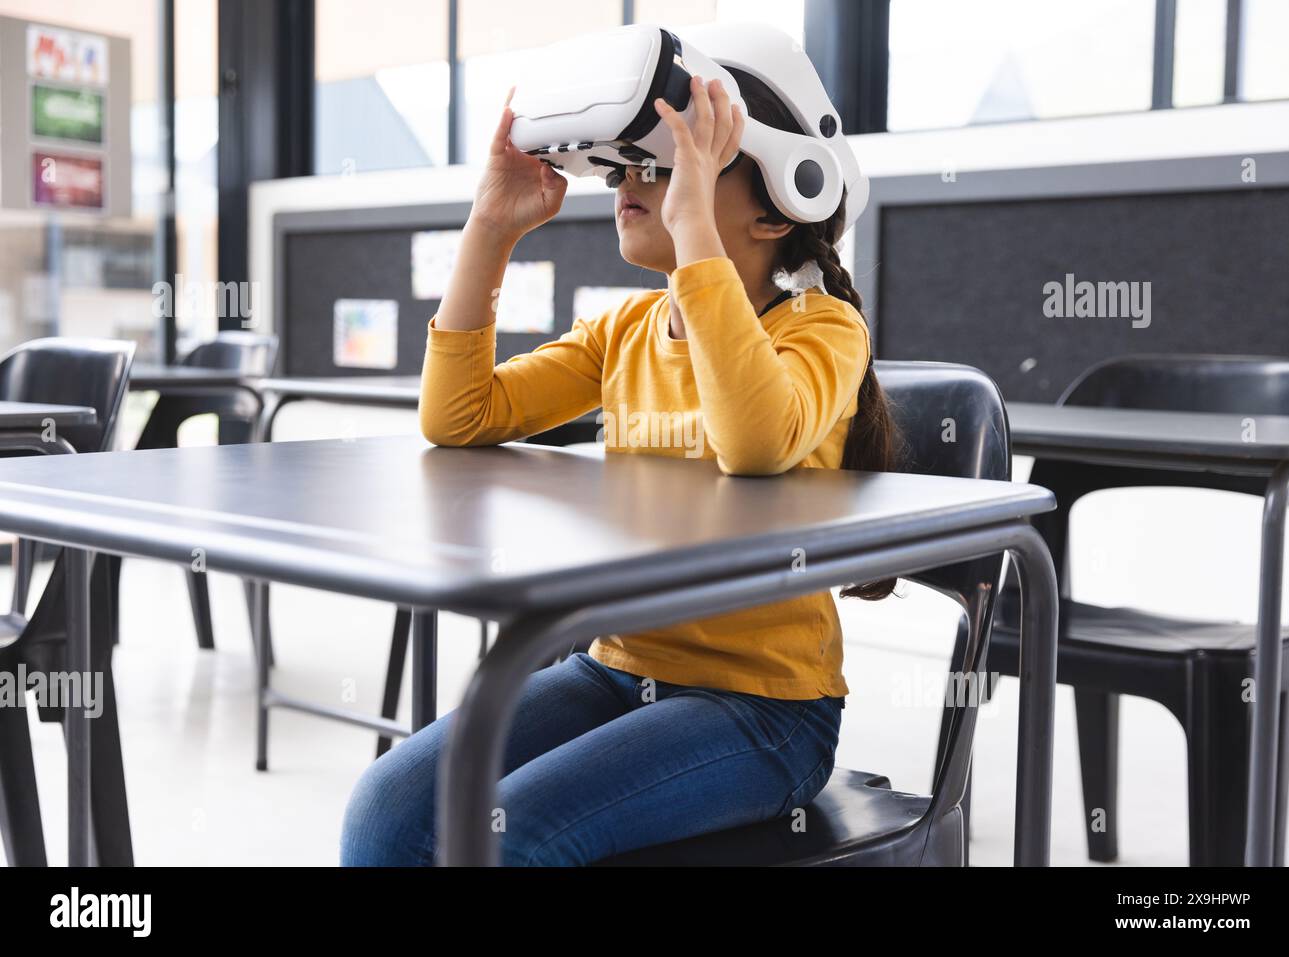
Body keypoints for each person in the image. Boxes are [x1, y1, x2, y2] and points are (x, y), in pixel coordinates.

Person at [341, 57, 895, 867]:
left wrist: (695, 226)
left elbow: (756, 438)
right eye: (629, 166)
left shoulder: (819, 327)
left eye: (670, 165)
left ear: (775, 212)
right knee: (387, 811)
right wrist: (492, 227)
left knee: (510, 838)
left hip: (765, 710)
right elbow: (459, 416)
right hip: (617, 669)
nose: (627, 184)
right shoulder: (624, 329)